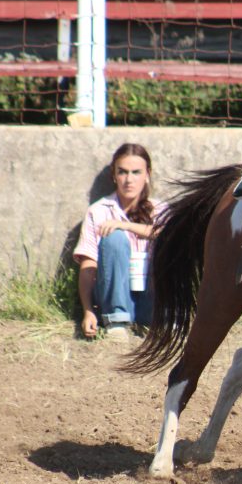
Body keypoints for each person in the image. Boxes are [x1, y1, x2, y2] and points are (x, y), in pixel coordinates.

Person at [72, 143, 164, 340]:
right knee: (113, 238)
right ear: (114, 175)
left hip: (151, 299)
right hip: (113, 299)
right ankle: (117, 322)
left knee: (168, 242)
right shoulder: (98, 211)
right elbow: (88, 265)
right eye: (122, 172)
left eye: (136, 172)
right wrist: (88, 311)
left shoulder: (161, 210)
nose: (129, 180)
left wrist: (126, 226)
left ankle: (165, 319)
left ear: (147, 175)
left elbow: (165, 233)